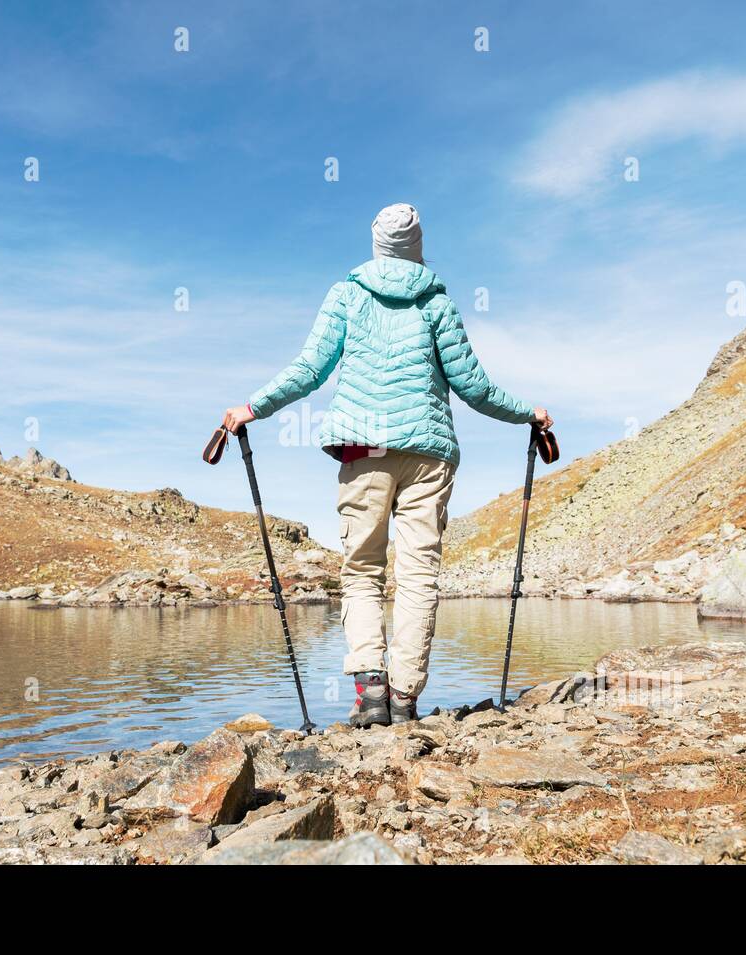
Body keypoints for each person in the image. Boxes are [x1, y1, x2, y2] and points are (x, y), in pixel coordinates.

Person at [222, 203, 550, 727]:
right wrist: (526, 414)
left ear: (376, 245)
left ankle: (370, 693)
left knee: (363, 571)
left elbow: (310, 369)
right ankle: (405, 698)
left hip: (364, 452)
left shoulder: (347, 294)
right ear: (419, 246)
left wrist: (252, 407)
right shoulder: (437, 300)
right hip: (429, 454)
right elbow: (474, 387)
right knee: (420, 574)